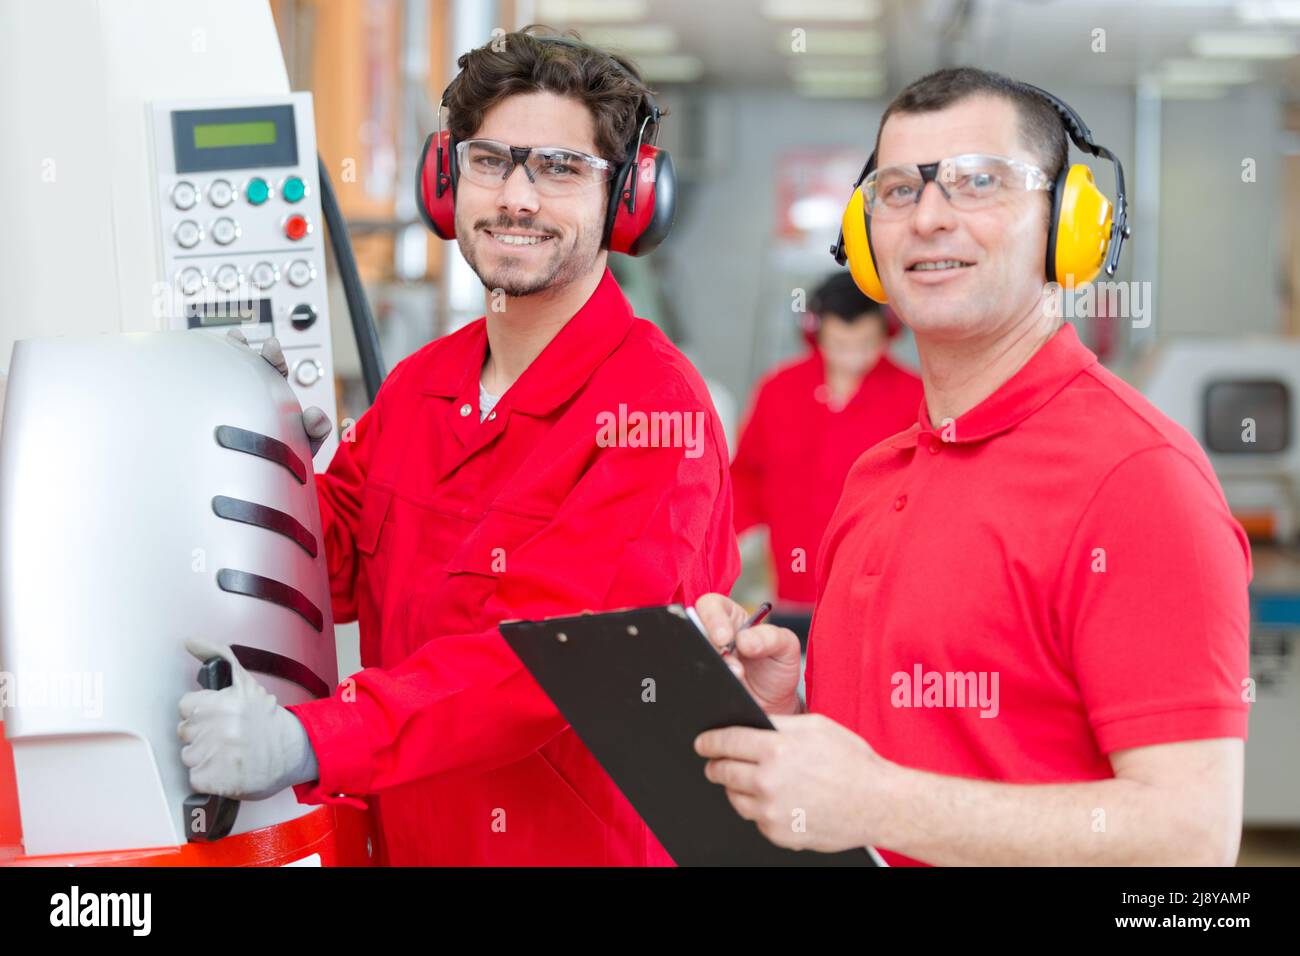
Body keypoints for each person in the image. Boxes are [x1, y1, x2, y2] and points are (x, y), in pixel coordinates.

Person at [177, 28, 739, 866]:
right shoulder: (419, 386)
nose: (518, 196)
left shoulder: (655, 414)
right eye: (490, 161)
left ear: (624, 199)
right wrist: (264, 453)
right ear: (447, 182)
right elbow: (322, 573)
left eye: (559, 167)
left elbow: (559, 664)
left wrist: (310, 741)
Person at [692, 67, 1251, 866]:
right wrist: (787, 715)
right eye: (894, 190)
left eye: (978, 183)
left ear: (1069, 226)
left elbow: (1189, 843)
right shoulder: (880, 473)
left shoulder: (1137, 479)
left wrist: (878, 801)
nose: (928, 218)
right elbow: (912, 764)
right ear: (863, 238)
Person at [730, 272, 921, 637]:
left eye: (865, 344)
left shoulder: (915, 397)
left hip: (877, 595)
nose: (852, 356)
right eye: (839, 344)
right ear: (816, 333)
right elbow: (745, 477)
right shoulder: (778, 391)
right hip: (789, 588)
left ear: (887, 332)